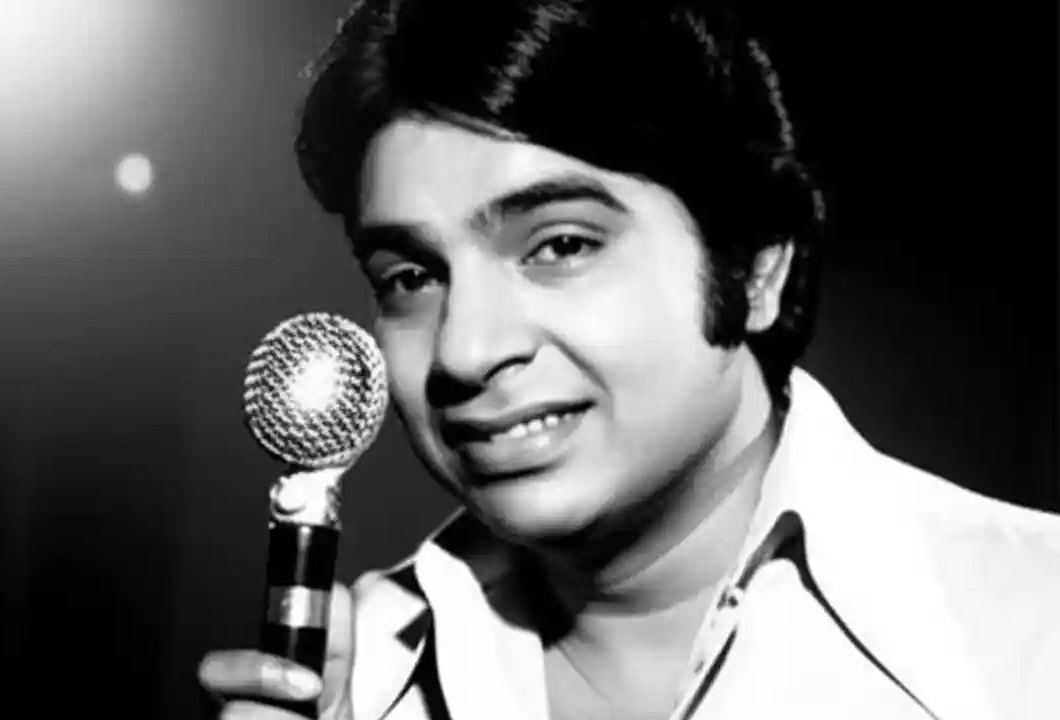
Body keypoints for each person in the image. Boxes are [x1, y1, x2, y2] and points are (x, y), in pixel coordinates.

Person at [200, 1, 1060, 718]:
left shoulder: (1029, 626)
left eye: (561, 245)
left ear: (755, 266)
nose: (465, 350)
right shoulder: (361, 688)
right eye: (412, 276)